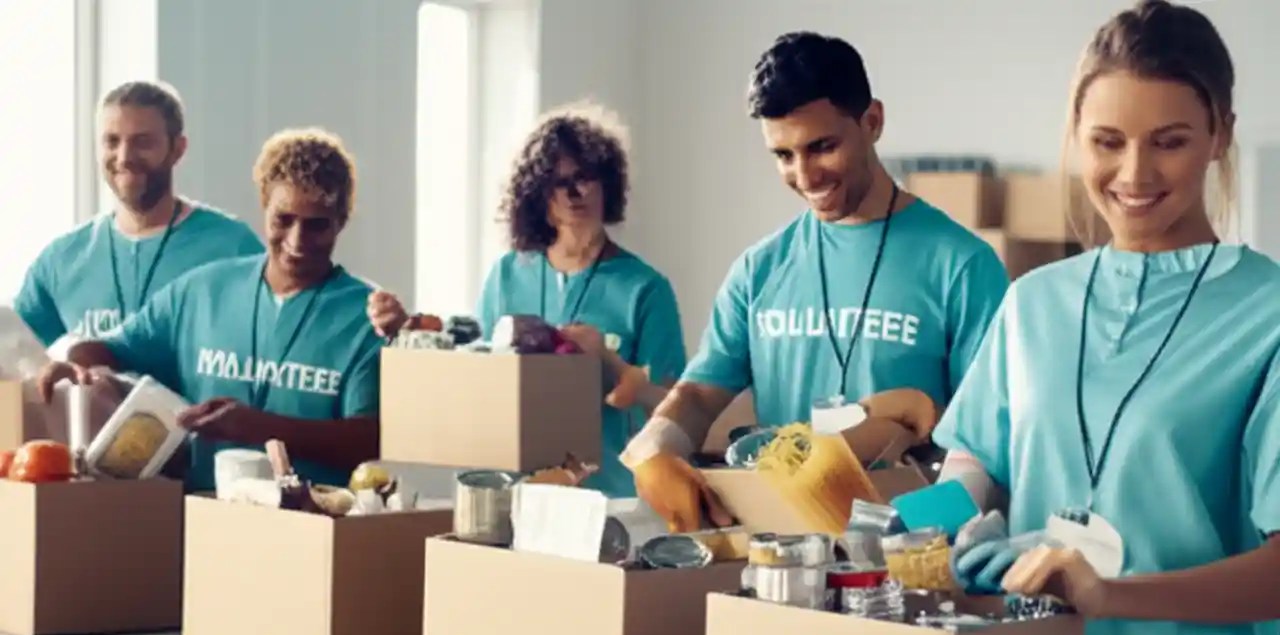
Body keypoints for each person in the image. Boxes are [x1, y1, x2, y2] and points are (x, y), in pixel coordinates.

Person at [931, 2, 1280, 635]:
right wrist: (924, 522)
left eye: (1170, 141)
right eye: (1107, 141)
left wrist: (1108, 594)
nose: (1134, 172)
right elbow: (976, 461)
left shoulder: (1268, 314)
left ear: (1221, 135)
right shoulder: (1032, 303)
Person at [620, 32, 1009, 517]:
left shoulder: (963, 267)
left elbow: (991, 446)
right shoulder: (759, 270)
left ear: (873, 122)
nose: (805, 176)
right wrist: (655, 448)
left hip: (906, 557)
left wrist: (917, 531)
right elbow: (700, 393)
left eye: (821, 147)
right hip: (780, 553)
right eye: (783, 156)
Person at [368, 102, 687, 498]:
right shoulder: (507, 275)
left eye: (585, 176)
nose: (575, 192)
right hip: (513, 494)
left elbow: (675, 409)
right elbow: (478, 375)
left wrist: (610, 363)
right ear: (538, 196)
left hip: (606, 496)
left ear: (607, 182)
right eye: (559, 182)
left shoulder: (645, 288)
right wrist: (410, 331)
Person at [37, 128, 382, 492]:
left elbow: (368, 439)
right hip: (198, 518)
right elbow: (114, 349)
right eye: (284, 220)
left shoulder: (366, 318)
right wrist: (75, 362)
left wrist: (257, 426)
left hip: (310, 528)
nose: (297, 240)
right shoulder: (201, 291)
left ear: (341, 221)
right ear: (264, 206)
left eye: (317, 226)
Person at [14, 80, 262, 347]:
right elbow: (16, 358)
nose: (124, 157)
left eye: (142, 143)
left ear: (177, 149)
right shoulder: (62, 258)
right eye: (111, 141)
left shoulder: (232, 247)